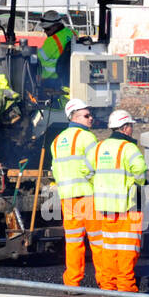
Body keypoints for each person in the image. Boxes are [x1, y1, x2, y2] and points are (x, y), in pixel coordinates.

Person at [89, 109, 148, 292]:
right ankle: (125, 287)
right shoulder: (129, 148)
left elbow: (87, 171)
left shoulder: (98, 147)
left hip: (104, 206)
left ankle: (108, 286)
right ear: (125, 128)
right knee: (127, 248)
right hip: (127, 205)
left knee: (109, 247)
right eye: (130, 126)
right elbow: (140, 172)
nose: (132, 130)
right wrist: (135, 183)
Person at [49, 98, 98, 287]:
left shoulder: (56, 141)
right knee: (98, 242)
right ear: (74, 117)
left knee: (73, 242)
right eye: (86, 115)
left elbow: (55, 170)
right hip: (88, 196)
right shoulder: (88, 138)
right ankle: (106, 283)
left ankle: (72, 282)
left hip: (67, 199)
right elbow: (95, 167)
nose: (90, 118)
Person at [37, 10, 76, 93]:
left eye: (47, 29)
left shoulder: (51, 42)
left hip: (51, 82)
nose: (45, 32)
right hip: (70, 78)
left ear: (56, 25)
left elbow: (36, 58)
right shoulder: (73, 33)